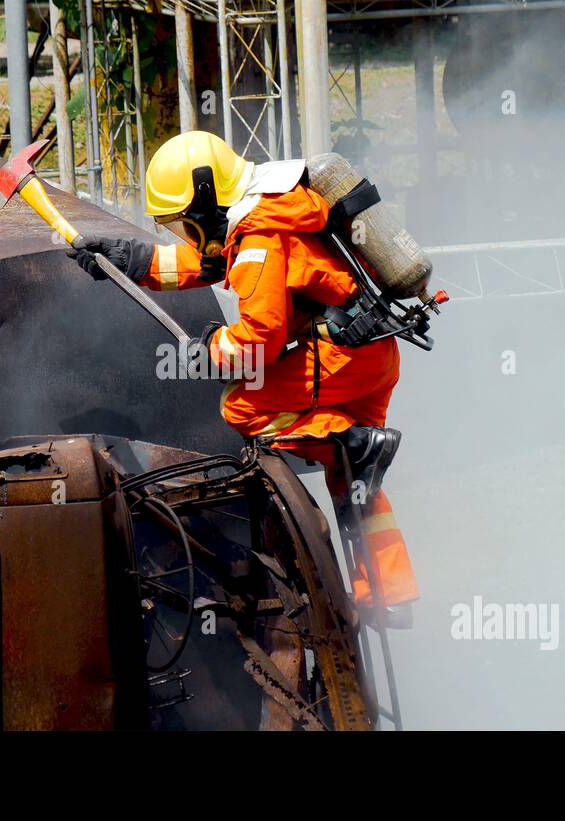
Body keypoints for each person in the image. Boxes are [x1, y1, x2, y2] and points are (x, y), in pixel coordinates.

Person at [66, 131, 417, 627]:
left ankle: (354, 440)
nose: (184, 235)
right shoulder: (269, 209)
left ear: (205, 201)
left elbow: (257, 343)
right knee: (353, 481)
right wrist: (130, 259)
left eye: (183, 223)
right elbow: (207, 261)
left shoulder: (260, 238)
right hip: (367, 353)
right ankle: (388, 591)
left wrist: (209, 350)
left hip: (340, 359)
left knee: (242, 405)